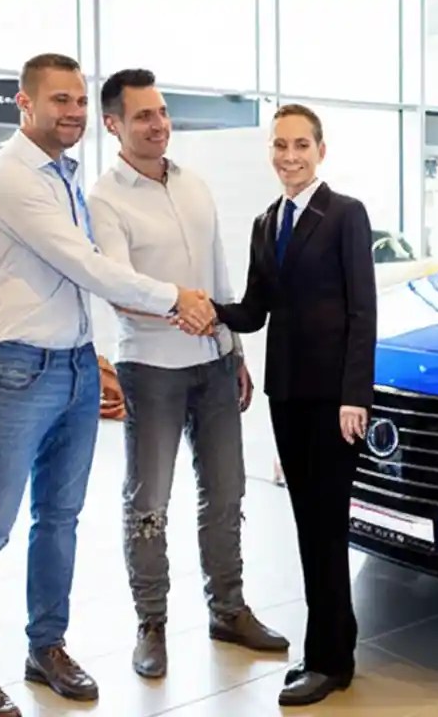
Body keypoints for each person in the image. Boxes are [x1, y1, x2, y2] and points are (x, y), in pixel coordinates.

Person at [0, 53, 214, 717]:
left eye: (80, 101)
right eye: (59, 100)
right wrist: (177, 297)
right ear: (24, 105)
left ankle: (46, 648)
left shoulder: (64, 176)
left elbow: (70, 287)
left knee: (58, 520)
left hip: (69, 366)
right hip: (15, 370)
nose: (73, 112)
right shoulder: (13, 179)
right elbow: (86, 265)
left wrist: (93, 357)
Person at [88, 68, 289, 679]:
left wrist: (234, 350)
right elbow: (117, 285)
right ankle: (151, 623)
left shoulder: (194, 185)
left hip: (214, 365)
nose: (158, 124)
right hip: (150, 369)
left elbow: (220, 274)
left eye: (163, 111)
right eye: (143, 115)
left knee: (226, 494)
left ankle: (228, 608)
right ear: (114, 124)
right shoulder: (104, 198)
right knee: (148, 501)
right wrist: (179, 299)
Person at [207, 103, 376, 707]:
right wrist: (208, 309)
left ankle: (331, 659)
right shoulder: (265, 222)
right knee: (307, 524)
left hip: (335, 400)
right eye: (280, 145)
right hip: (288, 394)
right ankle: (330, 646)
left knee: (326, 528)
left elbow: (363, 311)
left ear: (321, 151)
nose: (289, 156)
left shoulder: (345, 215)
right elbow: (256, 309)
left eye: (301, 145)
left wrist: (355, 395)